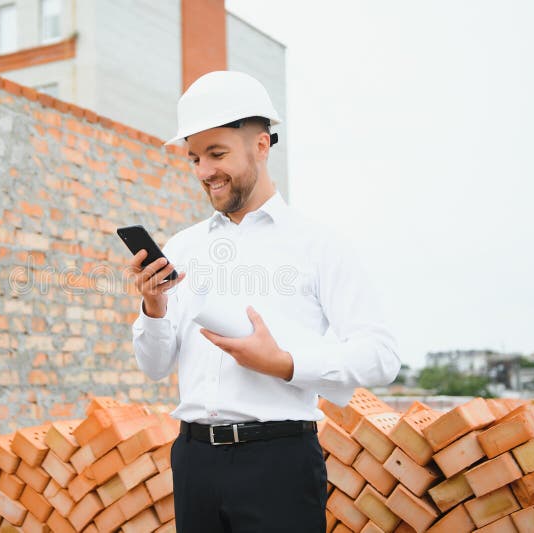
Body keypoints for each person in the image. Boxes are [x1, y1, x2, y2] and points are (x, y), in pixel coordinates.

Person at [128, 71, 401, 532]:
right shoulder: (183, 248)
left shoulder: (318, 245)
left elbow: (382, 357)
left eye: (217, 154)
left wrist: (284, 363)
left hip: (279, 465)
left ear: (261, 145)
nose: (203, 172)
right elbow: (154, 366)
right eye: (194, 158)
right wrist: (153, 309)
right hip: (194, 462)